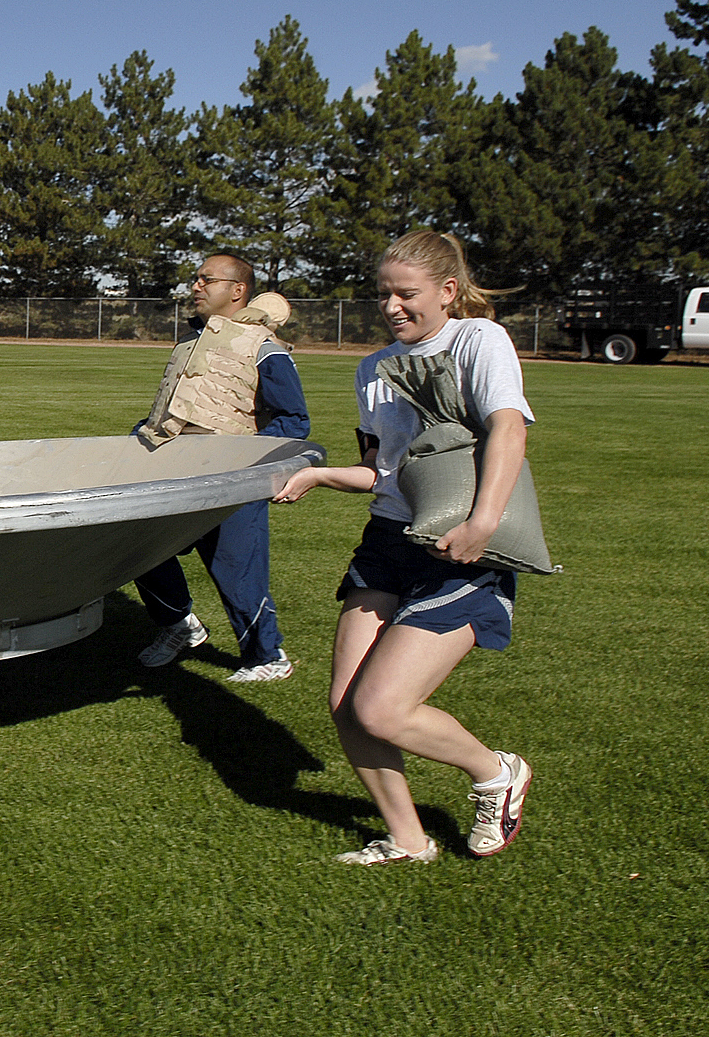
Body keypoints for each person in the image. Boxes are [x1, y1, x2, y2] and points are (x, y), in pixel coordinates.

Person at [274, 230, 534, 866]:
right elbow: (380, 471)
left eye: (406, 293)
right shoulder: (373, 369)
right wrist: (315, 475)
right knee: (346, 705)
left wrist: (483, 521)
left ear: (448, 291)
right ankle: (407, 839)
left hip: (460, 543)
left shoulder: (478, 340)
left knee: (382, 709)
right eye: (383, 293)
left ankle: (496, 772)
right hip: (387, 541)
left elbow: (506, 426)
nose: (391, 305)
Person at [132, 253, 310, 681]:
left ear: (237, 290)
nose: (196, 286)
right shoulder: (187, 343)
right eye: (195, 279)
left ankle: (268, 657)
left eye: (206, 280)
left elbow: (294, 420)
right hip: (172, 473)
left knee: (238, 574)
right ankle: (179, 627)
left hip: (232, 483)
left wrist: (243, 462)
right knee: (138, 551)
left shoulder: (264, 348)